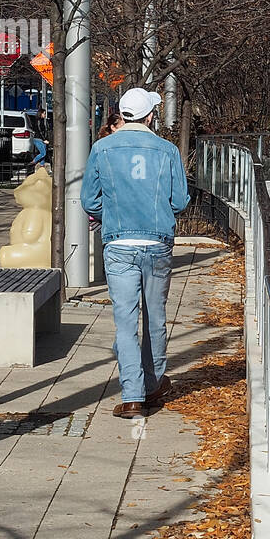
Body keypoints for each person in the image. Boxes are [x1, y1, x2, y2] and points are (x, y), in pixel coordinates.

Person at [81, 87, 189, 419]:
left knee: (125, 324)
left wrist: (110, 212)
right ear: (150, 116)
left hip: (118, 244)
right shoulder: (167, 150)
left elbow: (89, 200)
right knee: (155, 318)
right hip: (156, 242)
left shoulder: (101, 148)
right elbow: (180, 201)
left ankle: (131, 396)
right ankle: (154, 384)